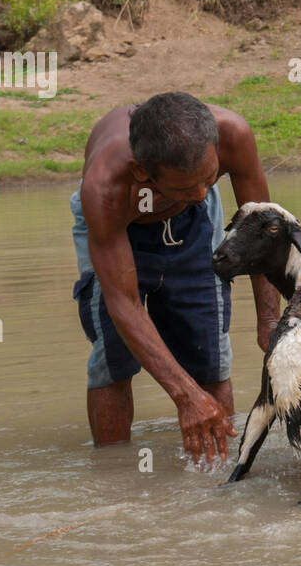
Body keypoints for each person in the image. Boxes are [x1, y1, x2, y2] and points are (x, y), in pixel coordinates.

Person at [70, 91, 280, 466]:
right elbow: (125, 302)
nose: (201, 195)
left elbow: (261, 228)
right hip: (121, 227)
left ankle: (220, 474)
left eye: (210, 178)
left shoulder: (233, 135)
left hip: (192, 231)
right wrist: (185, 397)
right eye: (185, 188)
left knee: (209, 355)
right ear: (142, 173)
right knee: (113, 358)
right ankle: (114, 477)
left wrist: (269, 320)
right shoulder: (106, 187)